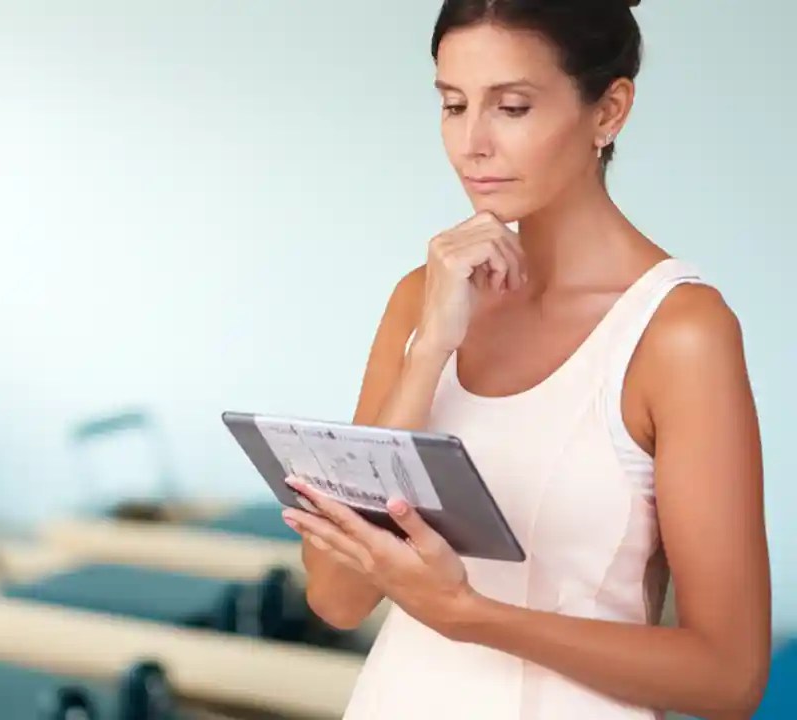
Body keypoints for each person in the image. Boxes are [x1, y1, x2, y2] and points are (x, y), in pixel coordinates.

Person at [279, 1, 773, 719]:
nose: (472, 143)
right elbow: (336, 596)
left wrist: (469, 614)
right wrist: (431, 350)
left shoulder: (677, 332)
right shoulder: (423, 298)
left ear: (610, 110)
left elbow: (728, 678)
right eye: (453, 105)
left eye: (511, 107)